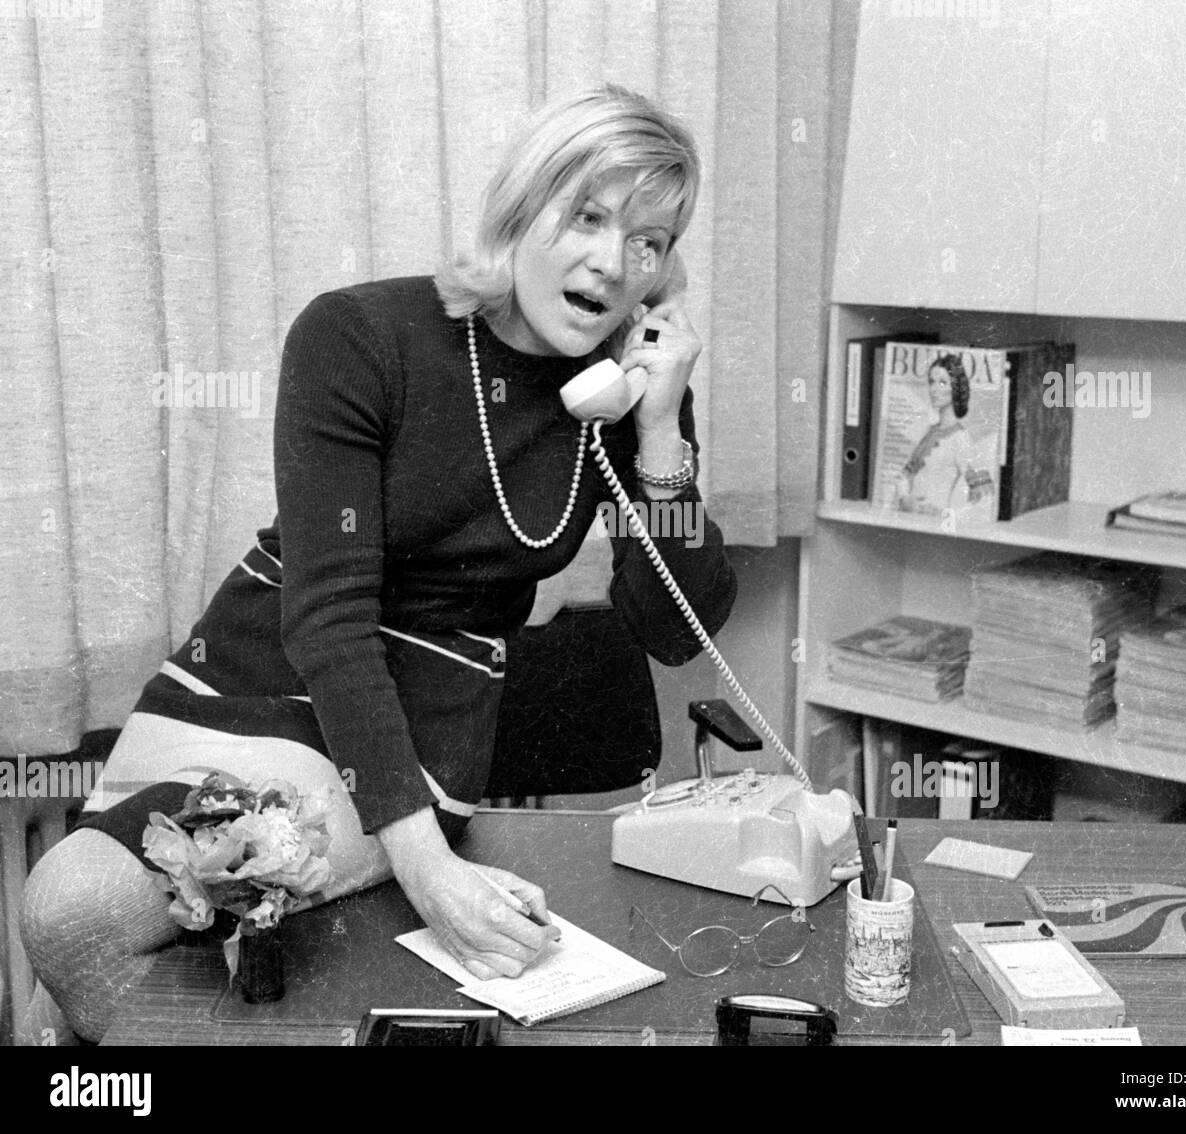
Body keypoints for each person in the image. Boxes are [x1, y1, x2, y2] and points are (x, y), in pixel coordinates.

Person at [20, 83, 737, 1043]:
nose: (613, 263)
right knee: (81, 916)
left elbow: (680, 631)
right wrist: (430, 873)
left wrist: (658, 436)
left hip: (413, 726)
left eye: (647, 241)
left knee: (82, 912)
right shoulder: (359, 335)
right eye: (589, 216)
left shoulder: (629, 393)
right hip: (256, 675)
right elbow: (329, 618)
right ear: (523, 210)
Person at [892, 353, 993, 515]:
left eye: (942, 382)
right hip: (910, 517)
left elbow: (982, 494)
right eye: (931, 382)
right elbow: (905, 475)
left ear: (956, 387)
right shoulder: (929, 431)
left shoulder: (960, 438)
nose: (933, 389)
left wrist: (946, 514)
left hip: (934, 522)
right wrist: (904, 498)